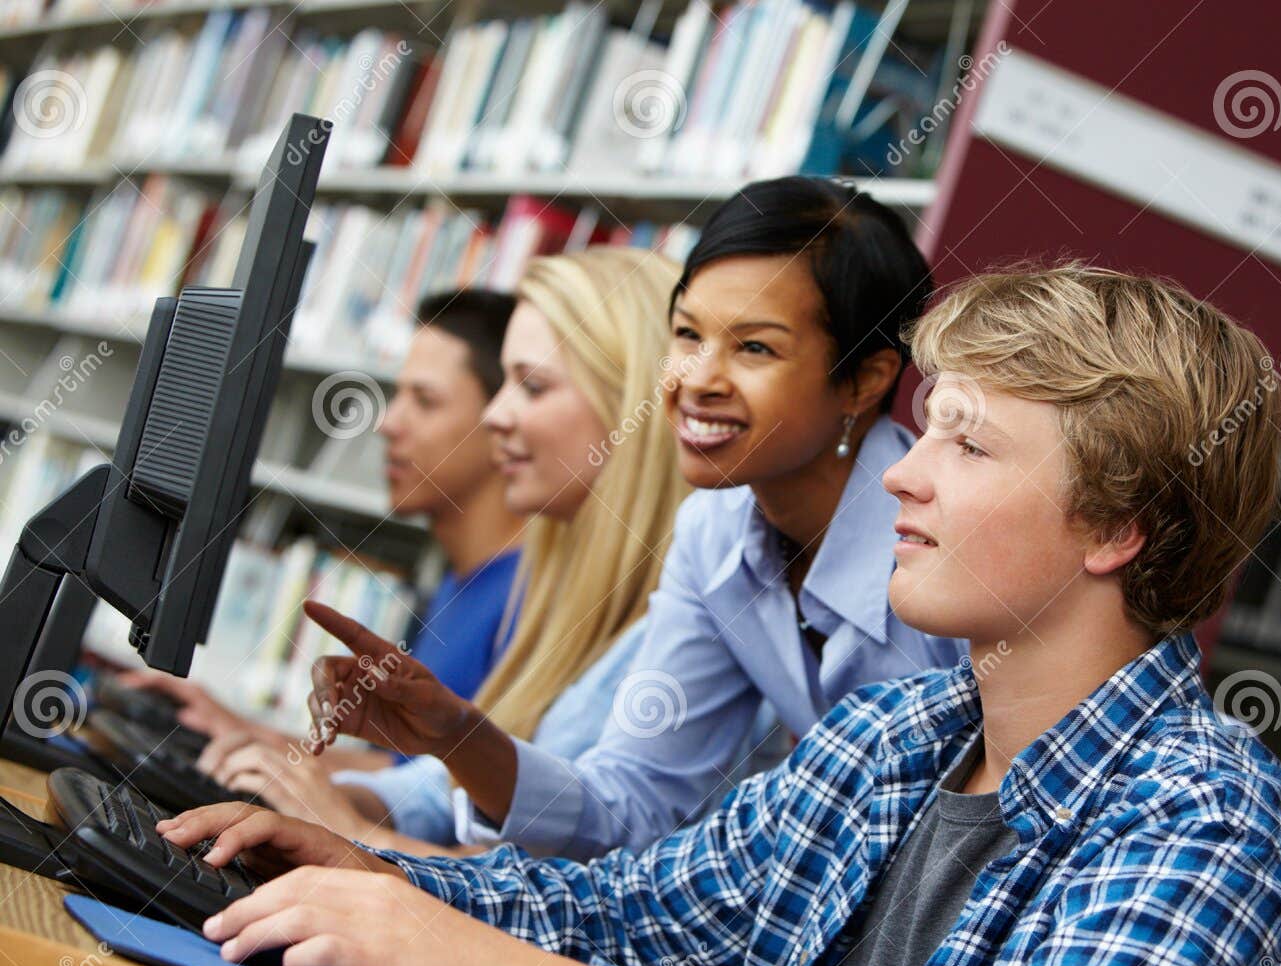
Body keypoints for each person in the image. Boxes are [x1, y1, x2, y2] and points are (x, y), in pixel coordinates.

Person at [160, 261, 1281, 966]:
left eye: (970, 445)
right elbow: (644, 911)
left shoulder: (1210, 825)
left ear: (1117, 526)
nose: (900, 472)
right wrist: (383, 880)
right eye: (926, 426)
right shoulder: (899, 735)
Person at [262, 176, 963, 859]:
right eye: (688, 334)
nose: (697, 379)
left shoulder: (945, 544)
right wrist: (459, 735)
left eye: (755, 347)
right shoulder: (715, 532)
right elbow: (634, 800)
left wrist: (371, 843)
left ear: (866, 378)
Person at [205, 249, 699, 853]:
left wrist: (347, 829)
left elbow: (561, 890)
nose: (497, 416)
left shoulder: (670, 637)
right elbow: (455, 795)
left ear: (633, 410)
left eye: (534, 385)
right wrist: (309, 794)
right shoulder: (560, 595)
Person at [122, 290, 527, 771]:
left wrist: (261, 748)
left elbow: (457, 802)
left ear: (503, 419)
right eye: (397, 396)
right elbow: (412, 775)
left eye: (425, 401)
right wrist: (247, 733)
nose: (388, 424)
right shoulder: (461, 582)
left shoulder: (526, 602)